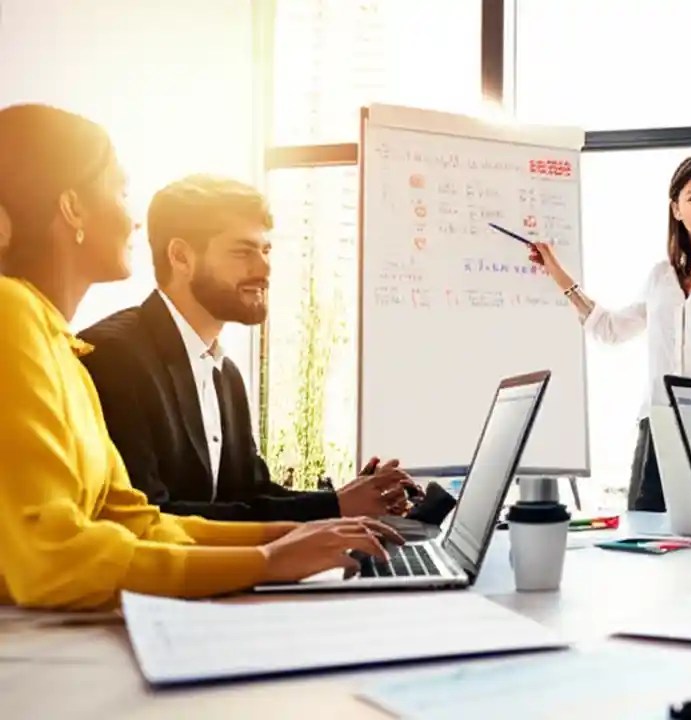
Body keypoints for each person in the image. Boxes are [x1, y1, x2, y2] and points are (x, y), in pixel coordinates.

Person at [0, 104, 399, 609]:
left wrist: (294, 535)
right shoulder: (12, 314)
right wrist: (269, 561)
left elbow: (134, 521)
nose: (133, 218)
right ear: (73, 208)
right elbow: (50, 556)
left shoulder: (59, 342)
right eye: (120, 191)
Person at [78, 175, 414, 522]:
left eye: (266, 250)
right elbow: (150, 518)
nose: (264, 269)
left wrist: (348, 499)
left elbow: (249, 494)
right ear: (180, 257)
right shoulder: (114, 358)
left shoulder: (225, 373)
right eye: (243, 252)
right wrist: (333, 508)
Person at [529, 155, 691, 511]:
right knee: (645, 539)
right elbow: (611, 329)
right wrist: (557, 273)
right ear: (676, 209)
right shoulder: (661, 277)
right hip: (660, 429)